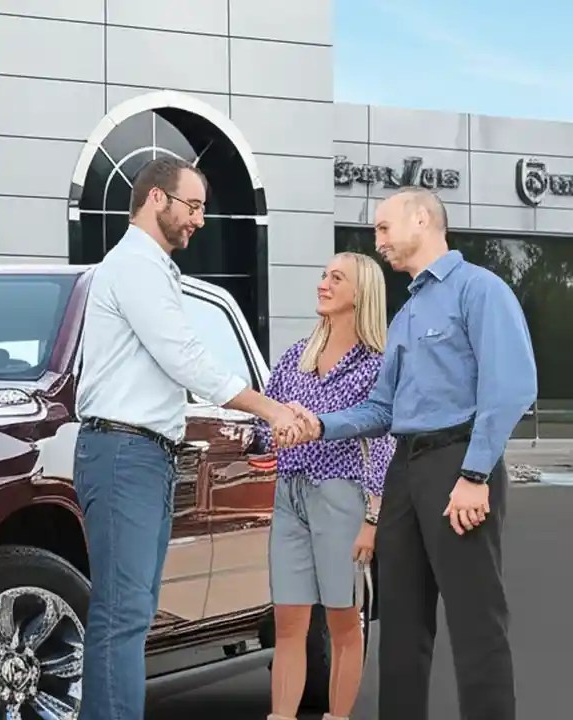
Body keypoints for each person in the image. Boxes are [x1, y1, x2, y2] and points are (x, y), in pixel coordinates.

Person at [281, 186, 537, 720]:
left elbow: (511, 386)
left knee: (476, 623)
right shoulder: (407, 314)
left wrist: (475, 473)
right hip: (405, 470)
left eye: (383, 227)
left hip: (458, 463)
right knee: (399, 625)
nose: (378, 241)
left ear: (421, 220)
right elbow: (381, 408)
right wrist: (321, 425)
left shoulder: (479, 290)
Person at [73, 155, 300, 720]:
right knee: (123, 614)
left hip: (143, 456)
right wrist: (271, 409)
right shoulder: (136, 266)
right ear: (157, 198)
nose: (199, 219)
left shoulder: (151, 269)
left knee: (133, 612)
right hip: (124, 454)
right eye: (193, 206)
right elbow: (187, 360)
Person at [250, 251, 395, 720]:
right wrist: (274, 430)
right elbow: (264, 421)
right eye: (323, 275)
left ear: (361, 293)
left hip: (341, 495)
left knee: (343, 621)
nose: (323, 283)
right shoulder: (296, 355)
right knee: (288, 622)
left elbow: (385, 438)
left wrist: (372, 518)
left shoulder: (376, 365)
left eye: (336, 278)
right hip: (288, 494)